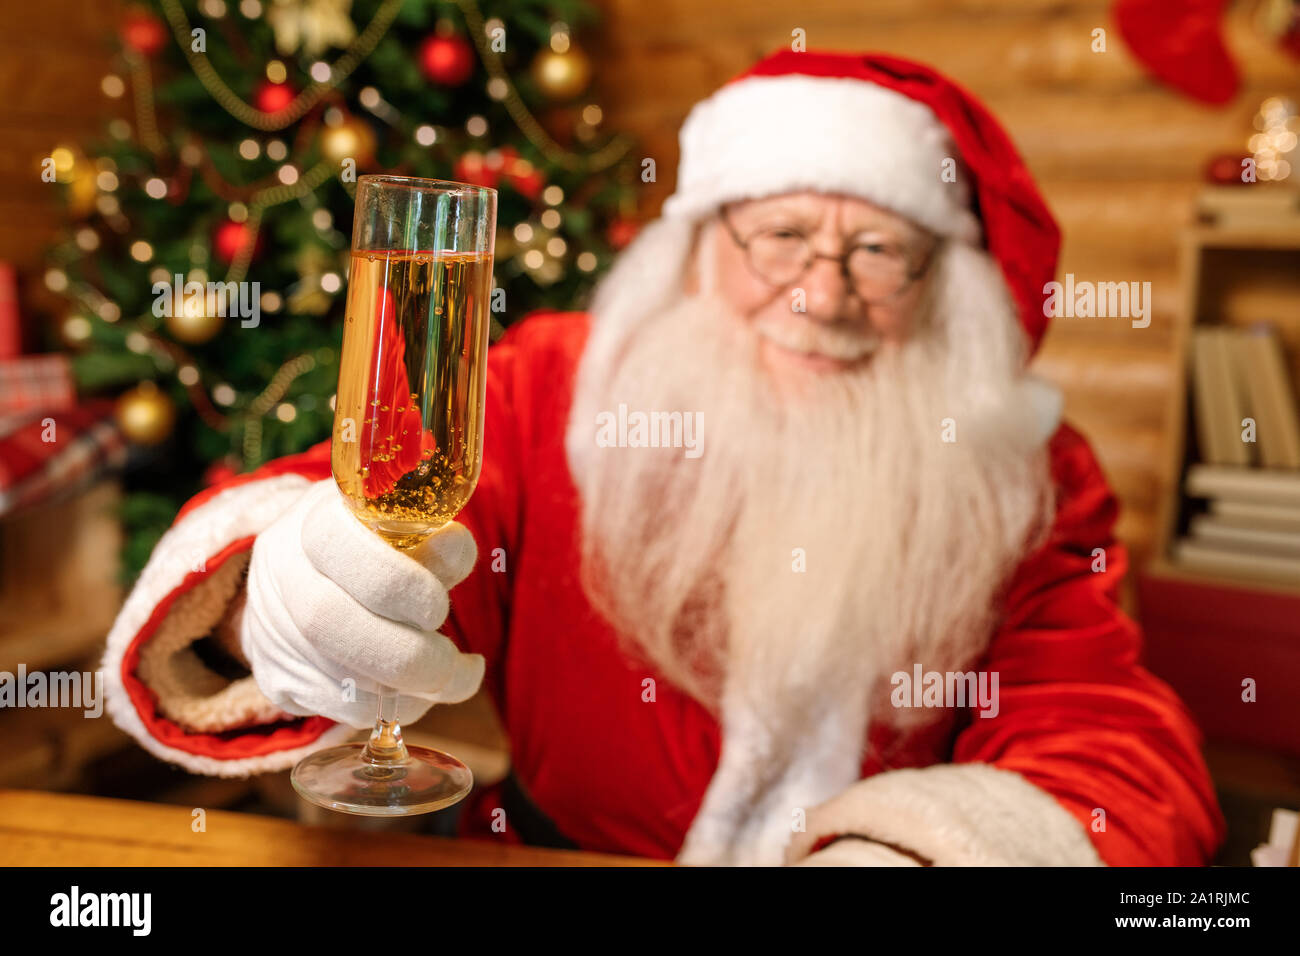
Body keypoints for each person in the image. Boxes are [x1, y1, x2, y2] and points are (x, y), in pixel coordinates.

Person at [101, 49, 1225, 866]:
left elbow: (1109, 737)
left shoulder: (1021, 465)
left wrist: (929, 853)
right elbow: (328, 508)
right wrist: (282, 604)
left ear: (942, 286)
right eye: (780, 233)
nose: (820, 289)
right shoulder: (558, 384)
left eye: (879, 248)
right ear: (700, 248)